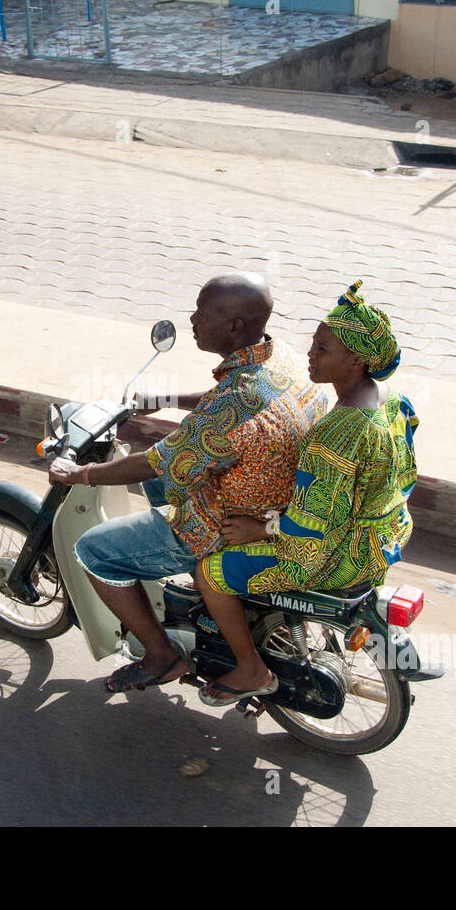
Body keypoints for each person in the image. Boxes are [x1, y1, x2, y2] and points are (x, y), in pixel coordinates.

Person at [48, 272, 329, 693]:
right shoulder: (276, 356)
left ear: (234, 326)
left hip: (232, 520)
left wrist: (81, 473)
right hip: (282, 496)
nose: (192, 319)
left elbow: (154, 464)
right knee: (171, 458)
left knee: (93, 550)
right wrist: (165, 400)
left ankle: (161, 657)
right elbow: (226, 401)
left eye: (202, 313)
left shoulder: (234, 402)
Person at [194, 280, 419, 706]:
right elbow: (405, 474)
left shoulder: (334, 437)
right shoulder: (391, 400)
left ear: (355, 361)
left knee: (210, 571)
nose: (310, 356)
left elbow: (311, 526)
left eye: (323, 351)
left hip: (334, 558)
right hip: (385, 537)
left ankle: (249, 670)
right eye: (313, 344)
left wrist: (261, 527)